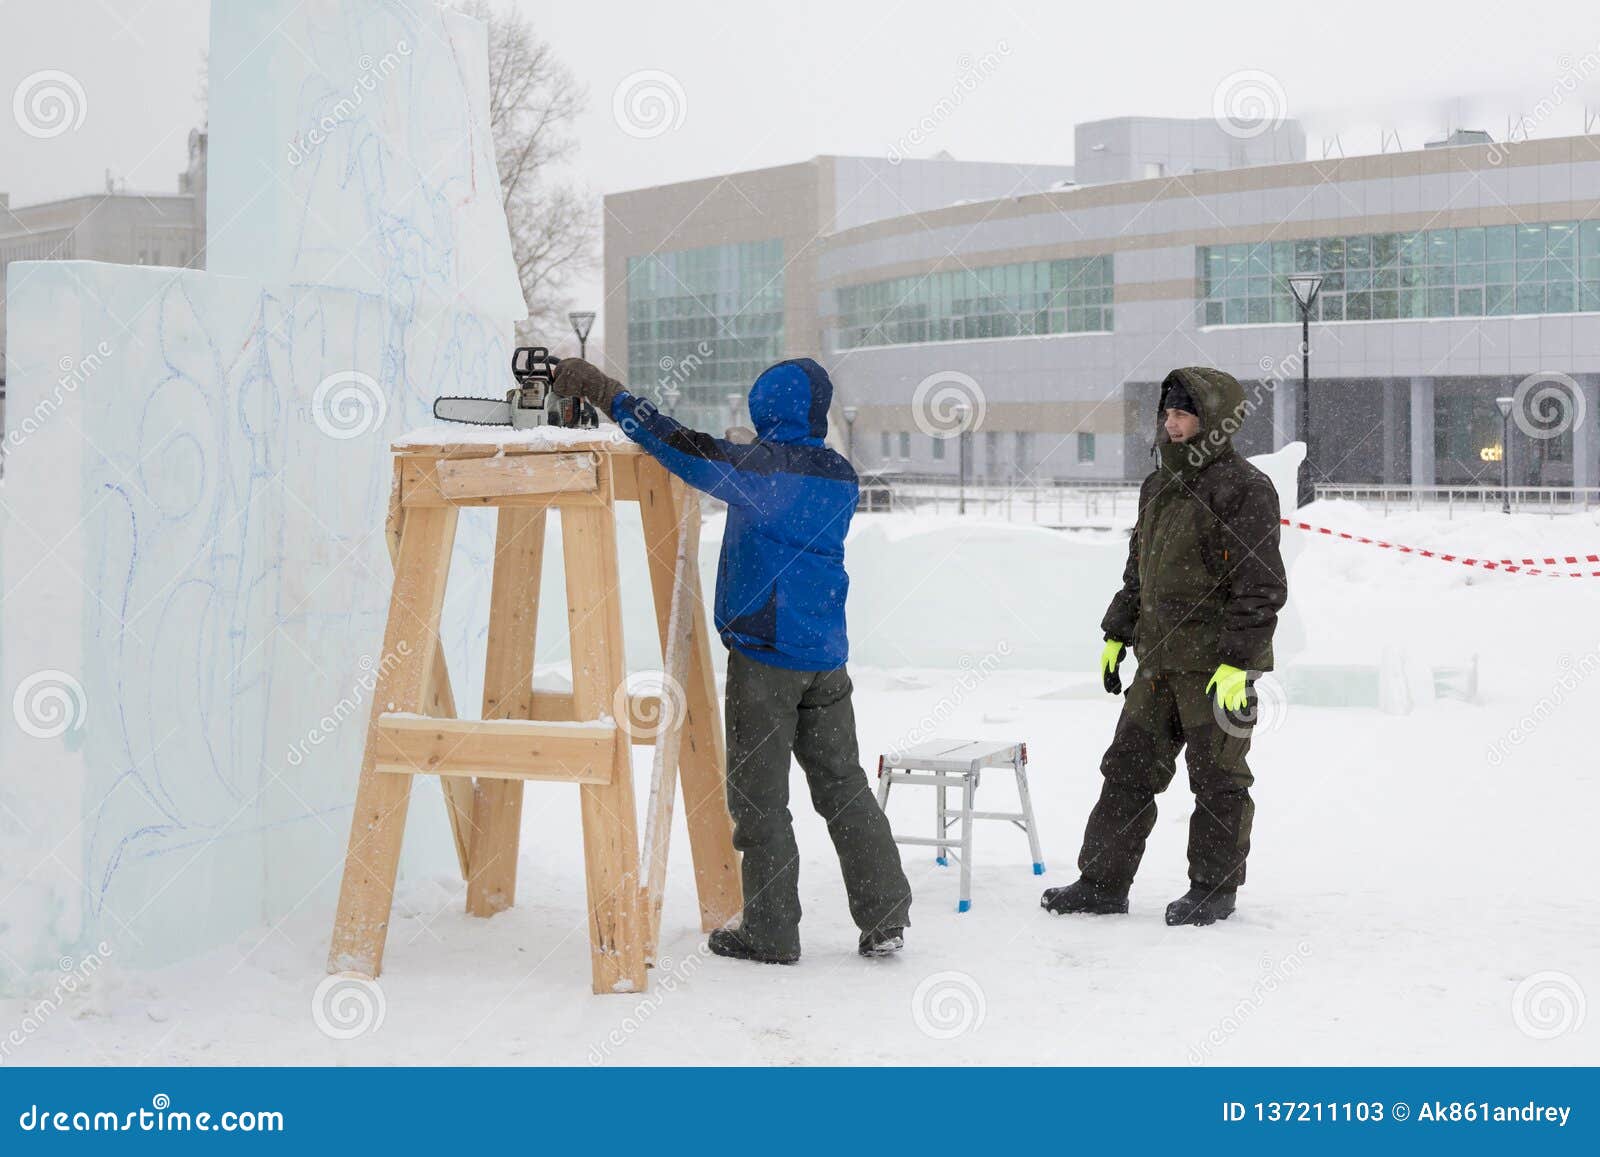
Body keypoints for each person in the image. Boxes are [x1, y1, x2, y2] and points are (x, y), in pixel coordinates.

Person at [551, 356, 913, 964]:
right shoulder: (838, 473)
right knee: (845, 787)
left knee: (759, 802)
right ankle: (885, 916)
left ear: (764, 407)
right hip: (825, 656)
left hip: (766, 659)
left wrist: (610, 395)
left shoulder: (761, 470)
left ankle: (770, 933)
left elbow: (680, 446)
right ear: (816, 411)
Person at [1041, 367, 1287, 927]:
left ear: (1215, 422)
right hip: (1157, 663)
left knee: (1219, 781)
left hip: (1214, 669)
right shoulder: (1159, 486)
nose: (1172, 425)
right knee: (1126, 771)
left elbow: (1262, 585)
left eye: (1184, 415)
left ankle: (1213, 890)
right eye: (1168, 414)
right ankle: (1102, 882)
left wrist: (1237, 664)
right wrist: (1116, 632)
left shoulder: (1243, 488)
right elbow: (1138, 572)